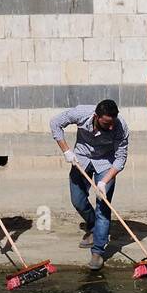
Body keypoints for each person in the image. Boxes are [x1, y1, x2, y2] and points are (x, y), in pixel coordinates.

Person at [49, 99, 130, 271]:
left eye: (112, 123)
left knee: (103, 205)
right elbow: (55, 123)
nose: (110, 127)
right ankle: (93, 227)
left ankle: (98, 251)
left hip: (106, 164)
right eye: (106, 123)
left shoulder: (120, 126)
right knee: (77, 200)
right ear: (96, 116)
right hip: (81, 158)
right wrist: (66, 151)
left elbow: (121, 158)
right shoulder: (82, 113)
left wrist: (104, 181)